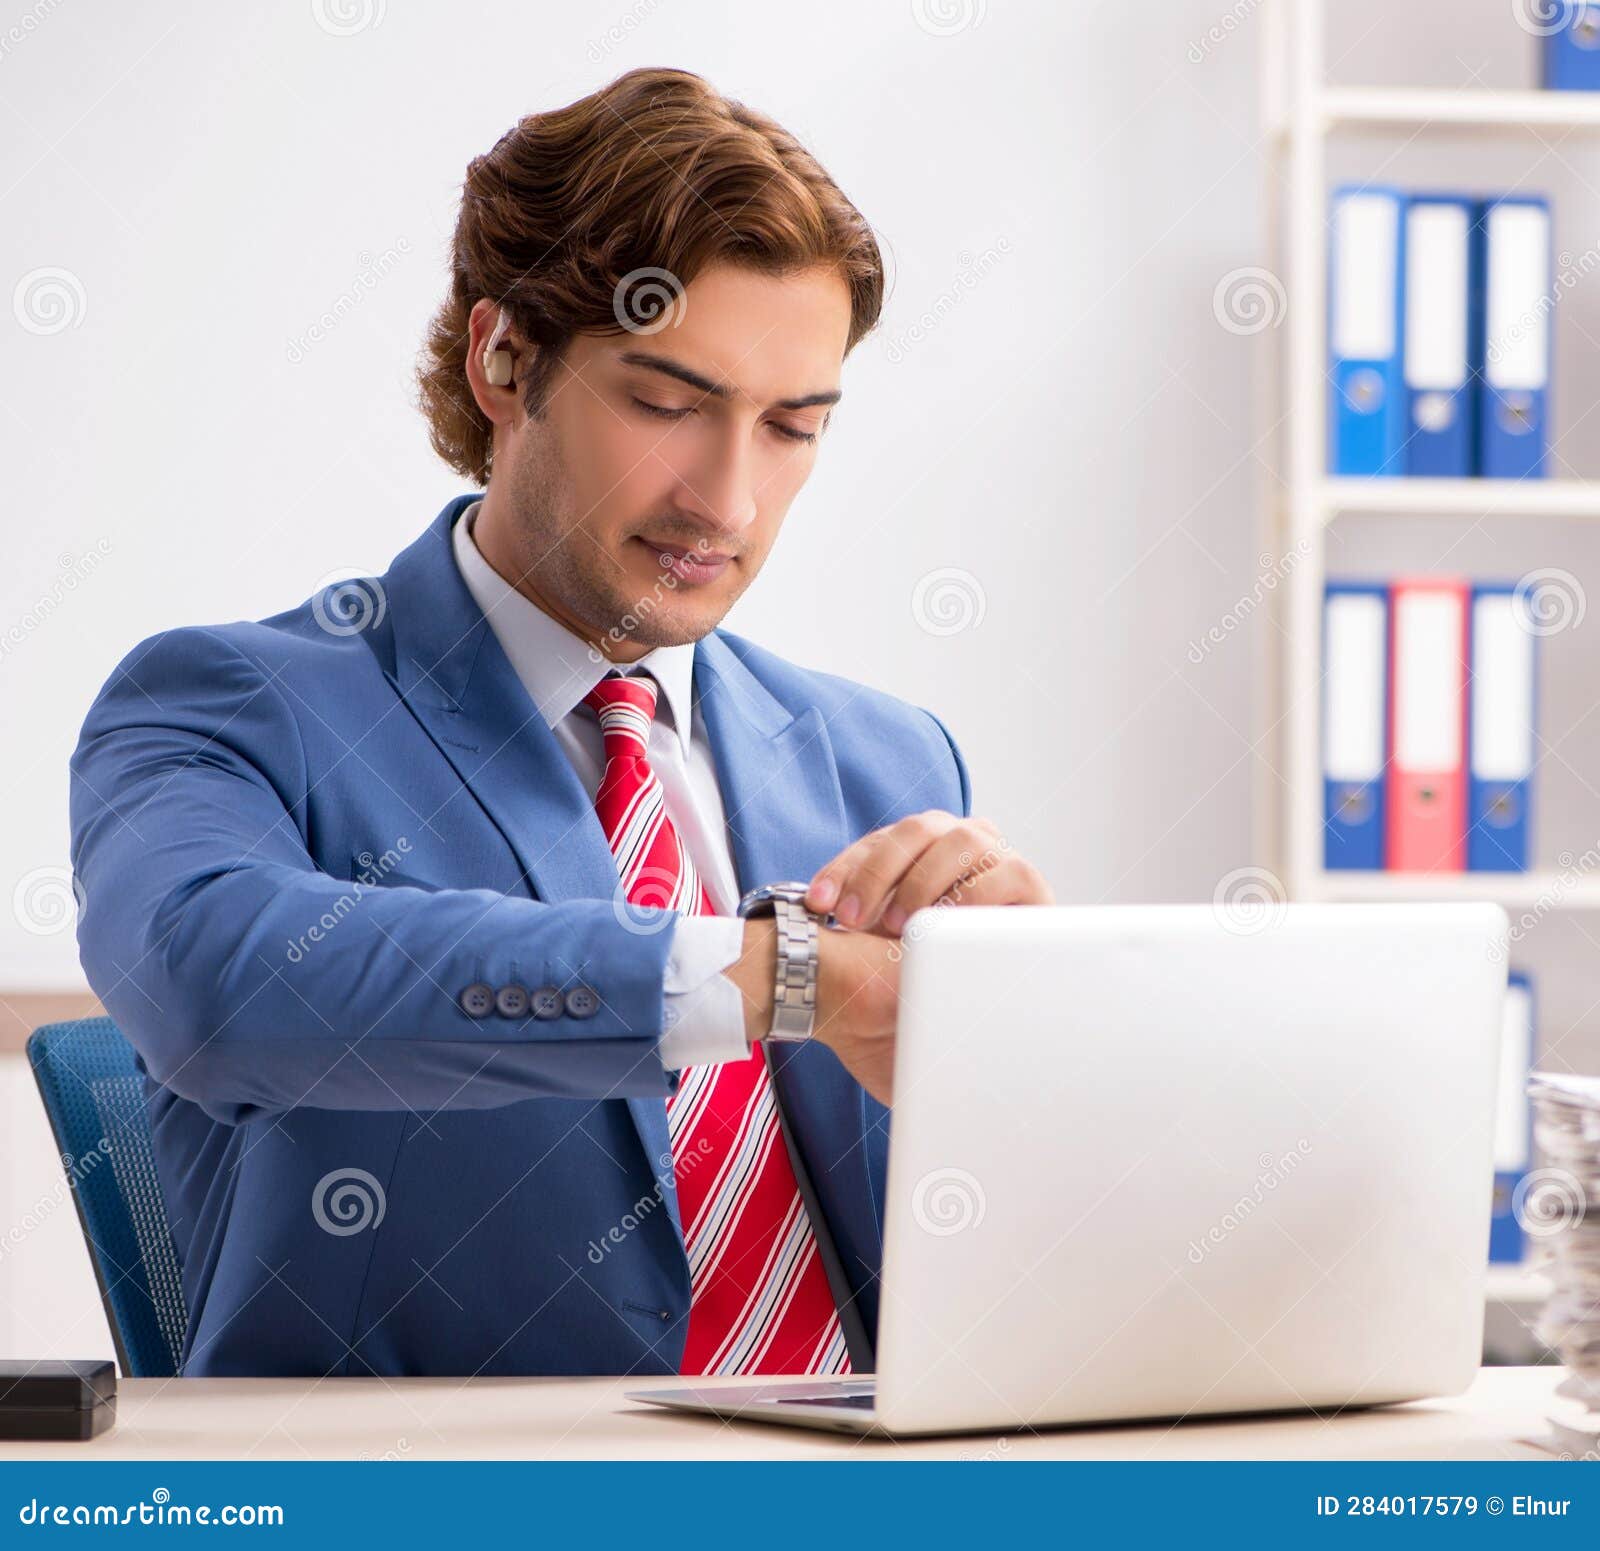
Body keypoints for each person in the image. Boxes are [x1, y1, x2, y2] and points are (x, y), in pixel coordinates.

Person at [70, 67, 1052, 1379]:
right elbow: (217, 983)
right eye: (666, 404)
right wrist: (776, 980)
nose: (730, 501)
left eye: (791, 429)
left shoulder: (887, 760)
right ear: (505, 359)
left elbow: (996, 1245)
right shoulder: (235, 707)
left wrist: (1043, 1048)